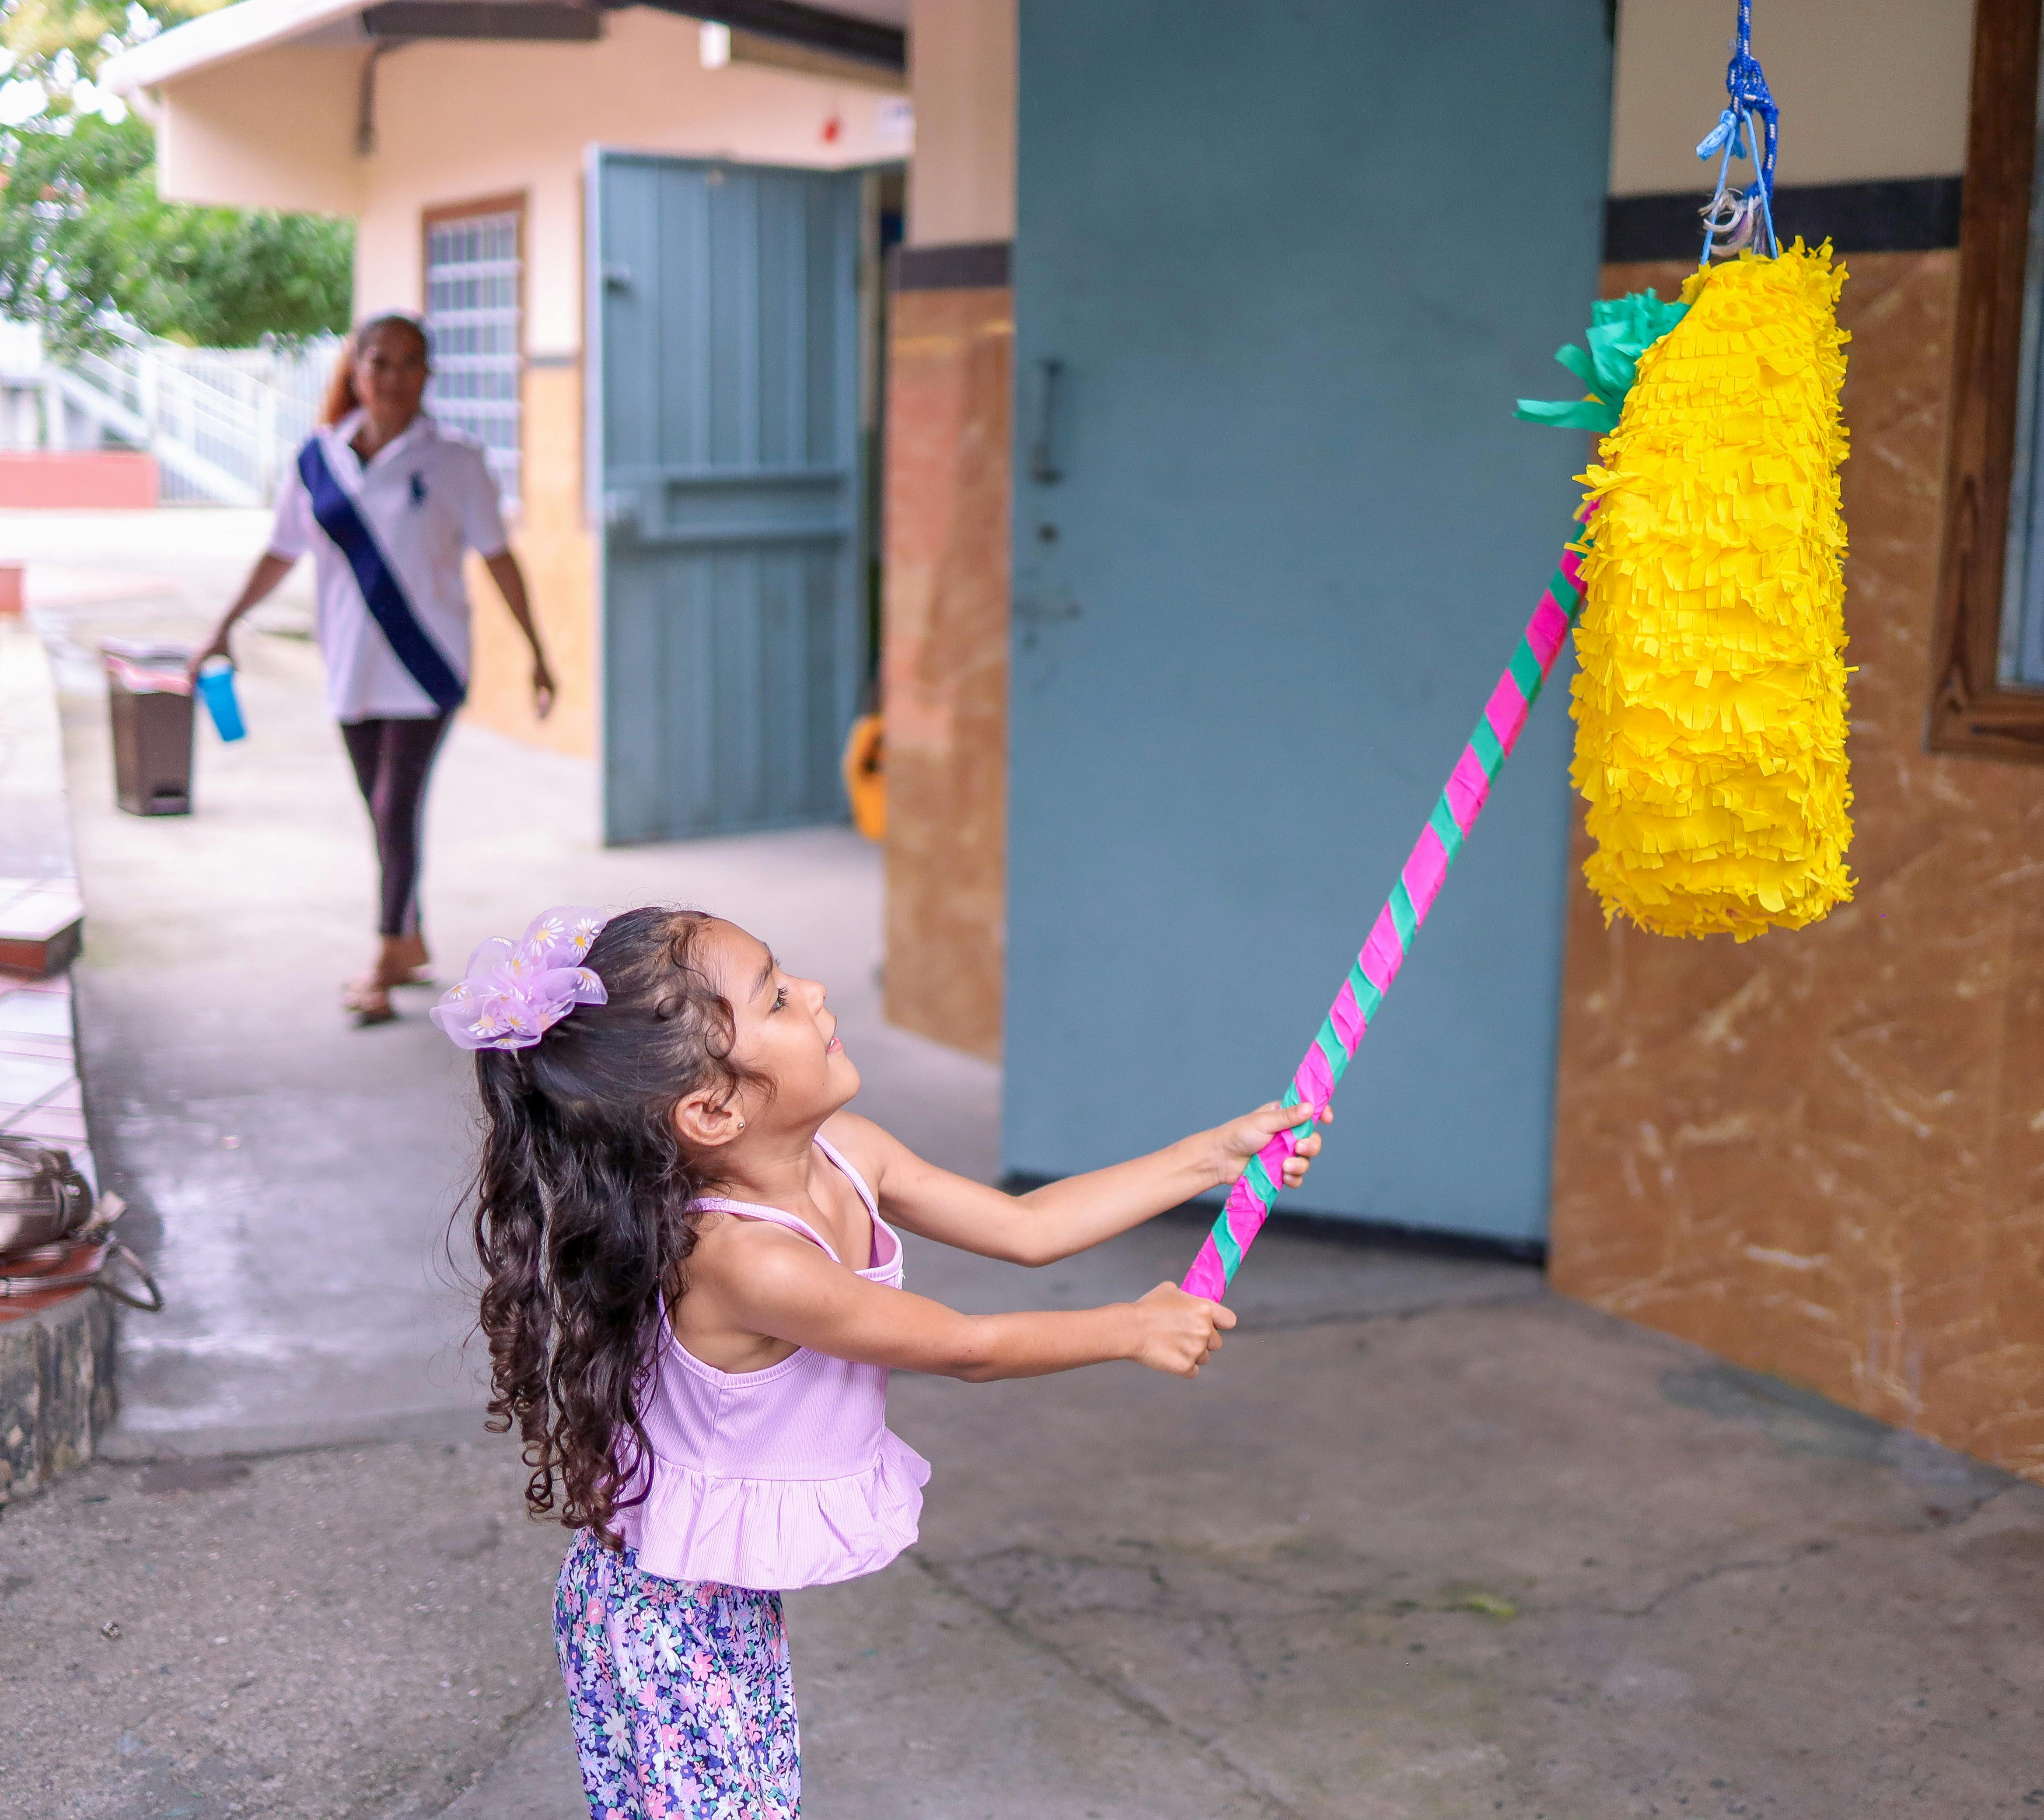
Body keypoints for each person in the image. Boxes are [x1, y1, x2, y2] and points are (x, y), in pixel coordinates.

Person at [444, 904, 1329, 1814]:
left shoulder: (851, 1153)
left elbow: (1028, 1229)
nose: (819, 992)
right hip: (663, 1612)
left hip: (717, 1589)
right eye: (780, 997)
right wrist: (1131, 1328)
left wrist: (1208, 1158)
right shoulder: (749, 1259)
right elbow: (965, 1346)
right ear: (713, 1109)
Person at [196, 312, 559, 1025]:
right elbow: (280, 552)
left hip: (429, 666)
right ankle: (412, 935)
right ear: (354, 369)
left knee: (395, 806)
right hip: (351, 666)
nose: (393, 378)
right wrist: (222, 626)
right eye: (379, 362)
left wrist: (539, 653)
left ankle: (388, 956)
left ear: (428, 375)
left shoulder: (456, 462)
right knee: (384, 811)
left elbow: (499, 558)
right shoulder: (315, 460)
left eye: (409, 363)